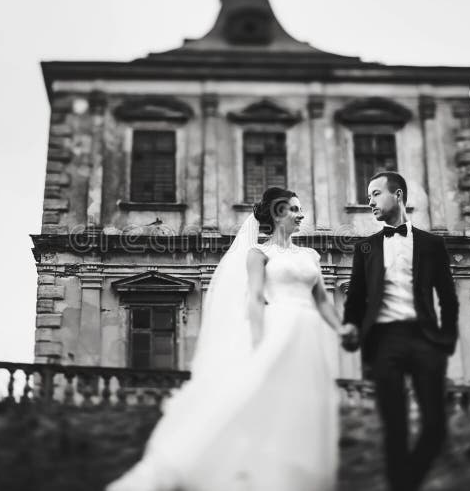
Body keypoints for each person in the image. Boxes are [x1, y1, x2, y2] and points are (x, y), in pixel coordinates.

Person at [107, 187, 353, 491]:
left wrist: (341, 329)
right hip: (280, 327)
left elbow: (323, 301)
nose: (301, 214)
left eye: (300, 209)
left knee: (299, 410)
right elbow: (255, 299)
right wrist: (259, 340)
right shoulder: (258, 254)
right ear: (278, 214)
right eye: (294, 209)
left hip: (309, 335)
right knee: (251, 399)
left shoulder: (310, 256)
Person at [341, 171, 458, 491]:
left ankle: (406, 482)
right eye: (368, 196)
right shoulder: (365, 247)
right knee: (395, 429)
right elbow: (355, 298)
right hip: (385, 342)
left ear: (398, 195)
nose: (369, 202)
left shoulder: (432, 244)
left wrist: (446, 341)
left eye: (375, 194)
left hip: (425, 339)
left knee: (435, 427)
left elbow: (448, 297)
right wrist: (350, 324)